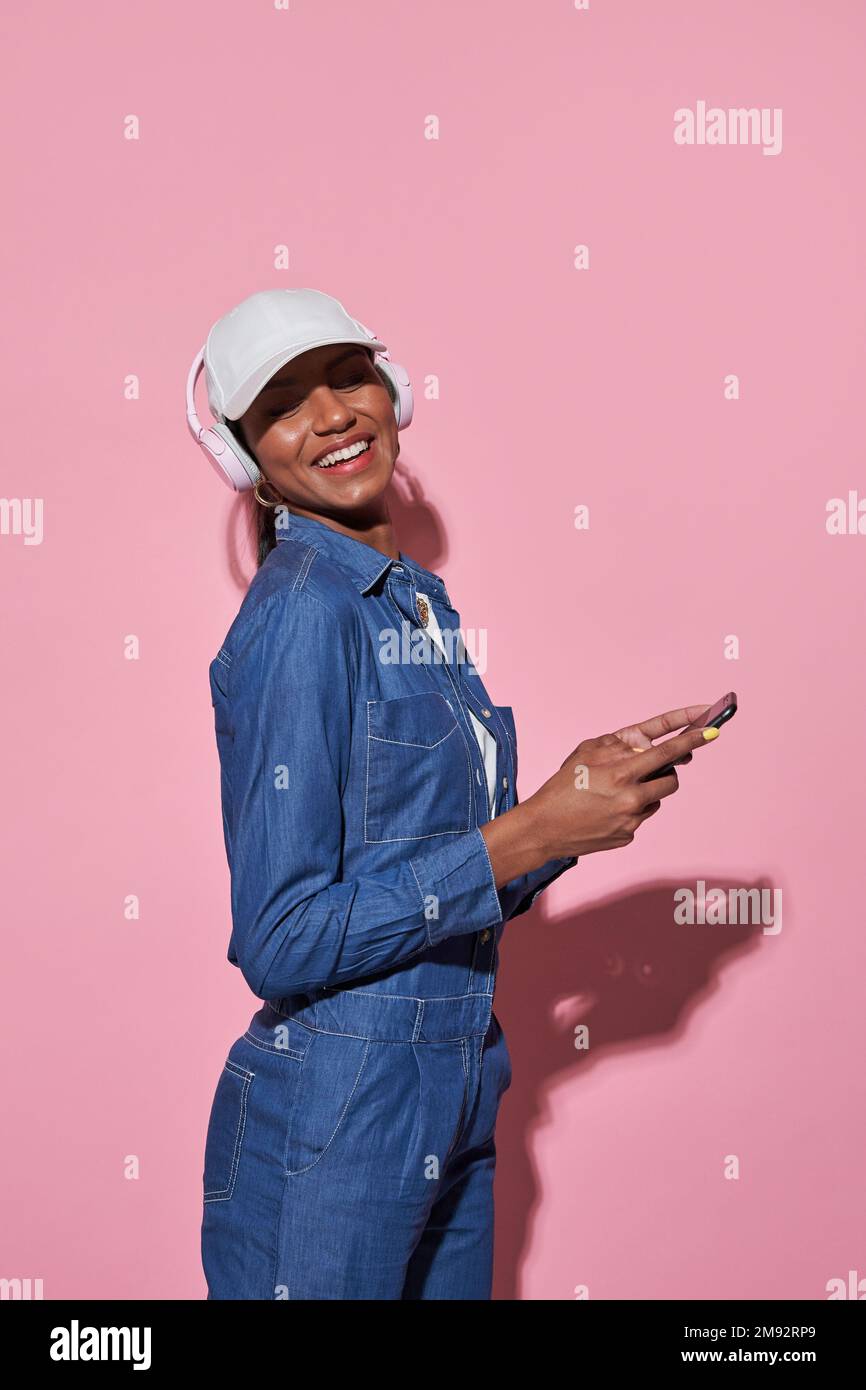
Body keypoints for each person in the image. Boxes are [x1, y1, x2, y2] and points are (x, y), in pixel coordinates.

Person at [188, 288, 719, 1299]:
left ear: (391, 392)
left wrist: (574, 806)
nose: (334, 413)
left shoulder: (412, 605)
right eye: (285, 403)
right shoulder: (304, 616)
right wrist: (524, 835)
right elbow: (280, 936)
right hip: (337, 1116)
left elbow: (435, 876)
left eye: (346, 376)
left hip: (459, 1079)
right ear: (244, 455)